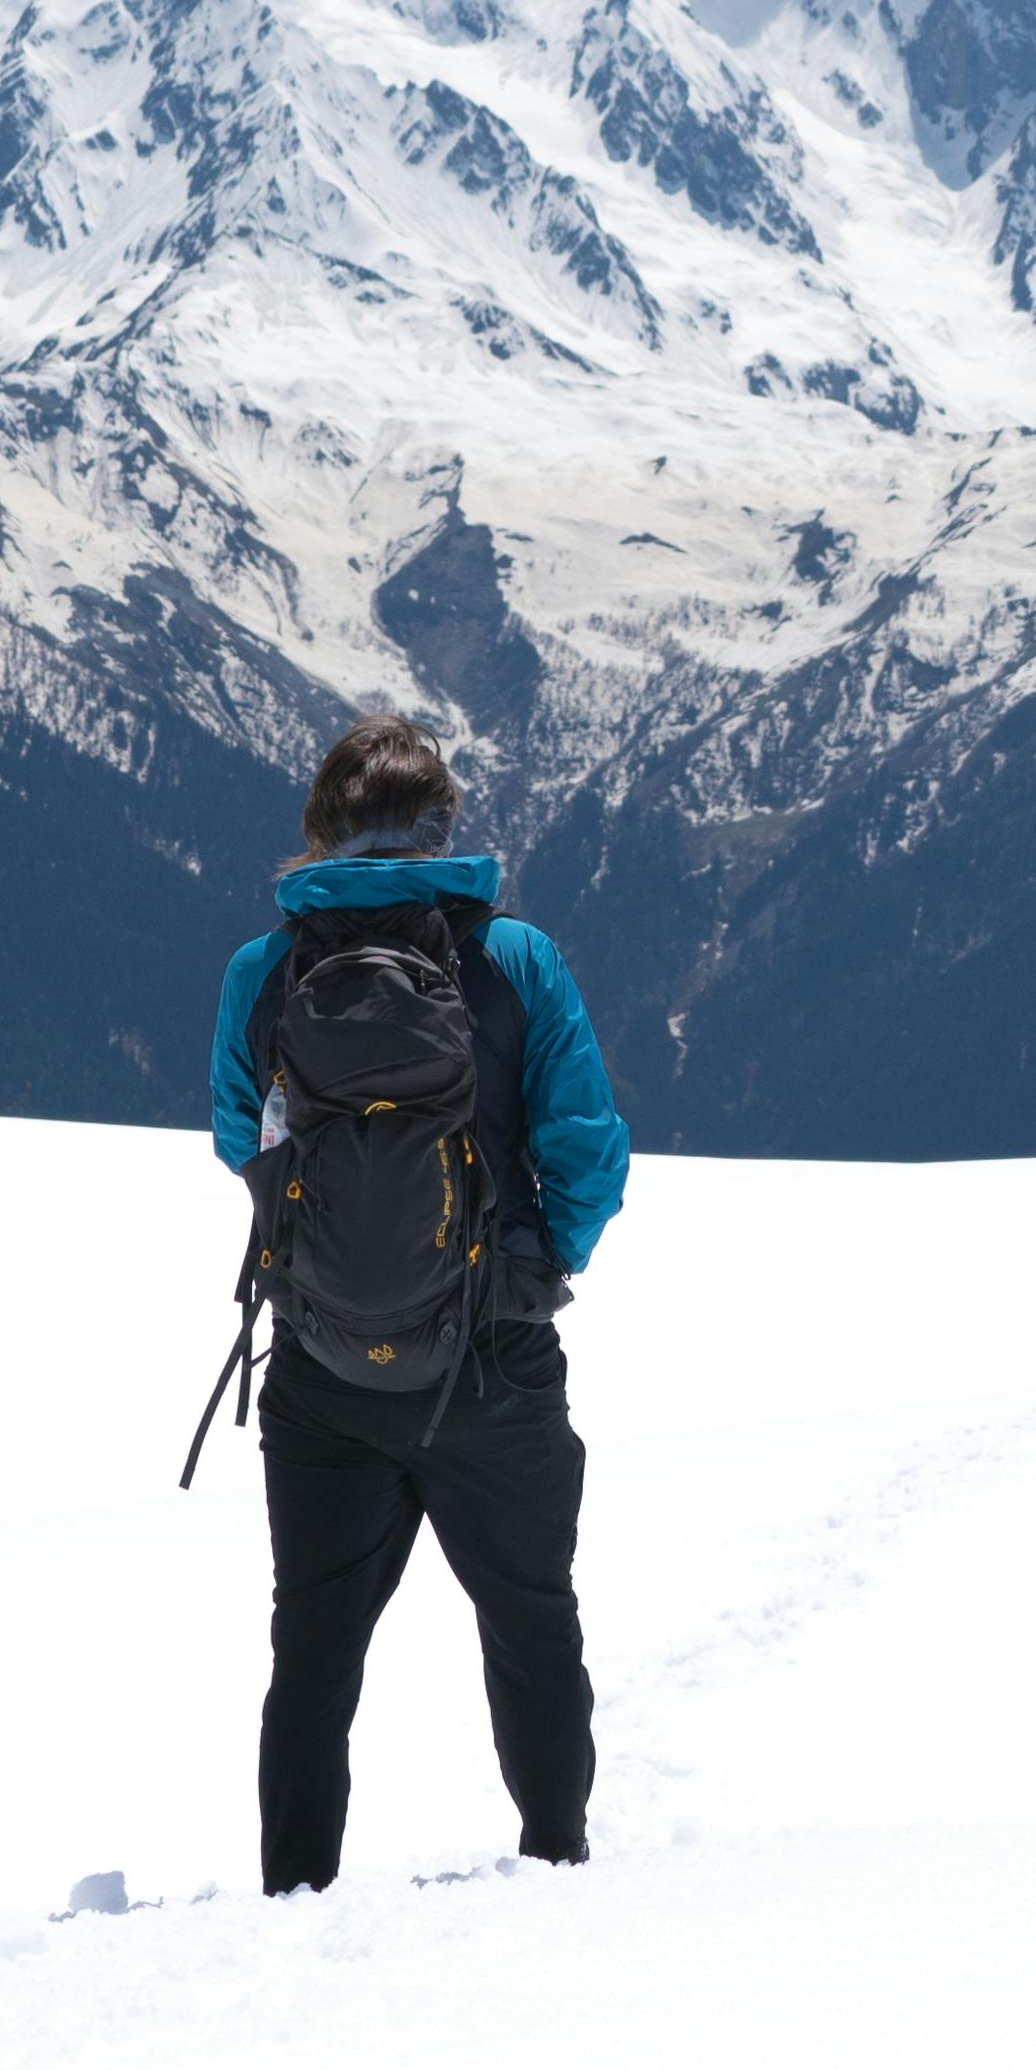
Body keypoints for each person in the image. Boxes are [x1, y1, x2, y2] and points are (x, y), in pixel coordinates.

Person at [206, 711, 628, 1892]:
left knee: (316, 1652)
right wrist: (536, 1270)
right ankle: (557, 1865)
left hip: (324, 1369)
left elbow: (242, 1134)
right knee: (531, 1618)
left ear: (323, 830)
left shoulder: (264, 969)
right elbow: (589, 1147)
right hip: (491, 1361)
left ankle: (293, 1897)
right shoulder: (516, 957)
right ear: (446, 820)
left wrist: (319, 1256)